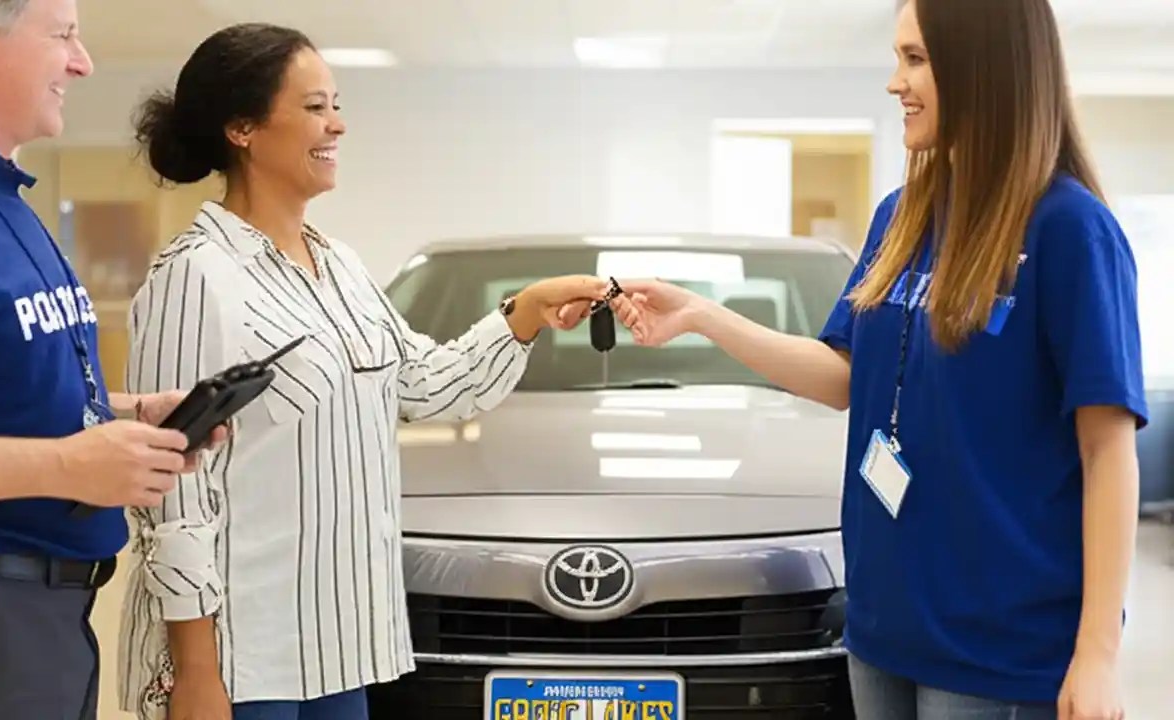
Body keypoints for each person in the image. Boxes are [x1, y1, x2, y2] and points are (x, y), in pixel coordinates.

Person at [606, 1, 1143, 718]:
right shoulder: (902, 215)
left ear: (984, 68)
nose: (896, 83)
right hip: (884, 629)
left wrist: (1098, 654)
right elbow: (842, 376)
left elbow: (1108, 451)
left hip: (1000, 649)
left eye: (916, 59)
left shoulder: (1069, 230)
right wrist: (703, 317)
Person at [114, 23, 613, 720]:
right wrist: (197, 669)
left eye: (337, 104)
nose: (338, 124)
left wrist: (524, 311)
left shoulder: (339, 266)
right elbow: (173, 491)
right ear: (242, 128)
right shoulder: (197, 276)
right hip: (245, 659)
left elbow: (426, 384)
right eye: (315, 106)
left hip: (340, 647)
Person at [0, 1, 225, 719]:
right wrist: (69, 466)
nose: (82, 63)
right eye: (65, 37)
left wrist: (132, 415)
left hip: (36, 618)